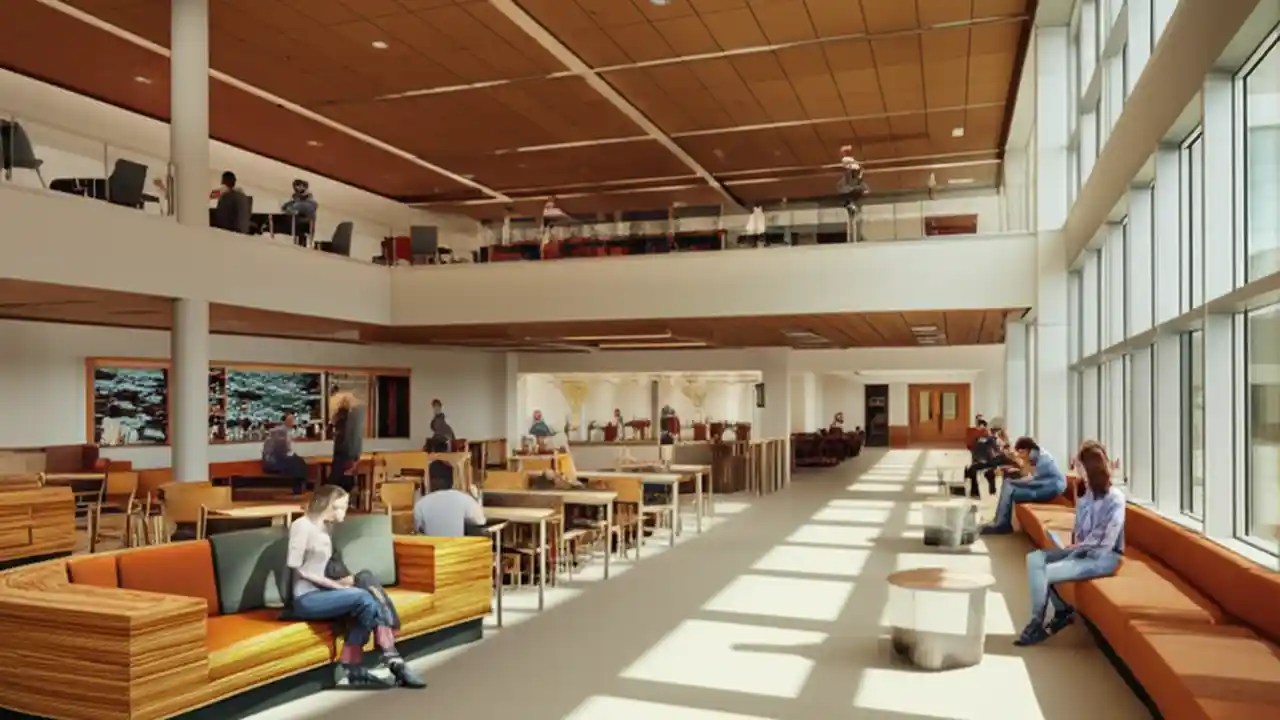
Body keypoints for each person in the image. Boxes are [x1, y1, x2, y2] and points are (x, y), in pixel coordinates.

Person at [286, 485, 425, 688]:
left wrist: (341, 583)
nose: (346, 510)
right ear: (330, 505)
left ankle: (360, 665)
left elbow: (324, 567)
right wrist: (336, 587)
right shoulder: (301, 525)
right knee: (364, 598)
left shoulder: (324, 528)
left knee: (366, 587)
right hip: (306, 598)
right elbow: (297, 568)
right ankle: (385, 656)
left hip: (323, 591)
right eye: (343, 506)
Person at [1015, 441, 1125, 646]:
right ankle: (1062, 610)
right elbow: (1080, 530)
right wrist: (1075, 546)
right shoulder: (1086, 493)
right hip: (1084, 550)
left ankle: (1036, 623)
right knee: (1034, 559)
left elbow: (1106, 539)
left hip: (1105, 557)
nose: (1076, 468)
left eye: (1079, 465)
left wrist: (1077, 550)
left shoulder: (1115, 498)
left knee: (1045, 572)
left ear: (1090, 467)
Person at [981, 436, 1067, 534]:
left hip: (1050, 489)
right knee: (1008, 485)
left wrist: (1014, 482)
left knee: (1009, 487)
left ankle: (1001, 524)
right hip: (1043, 486)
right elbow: (1030, 476)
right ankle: (999, 522)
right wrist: (1016, 474)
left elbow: (1032, 480)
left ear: (1027, 450)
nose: (1020, 455)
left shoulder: (1043, 460)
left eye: (1021, 452)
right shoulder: (1036, 456)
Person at [413, 461, 486, 537]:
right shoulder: (465, 499)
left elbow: (416, 528)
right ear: (452, 481)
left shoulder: (421, 504)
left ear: (431, 481)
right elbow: (480, 521)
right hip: (457, 544)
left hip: (433, 544)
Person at [262, 412, 309, 495]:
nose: (292, 422)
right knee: (299, 463)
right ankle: (298, 489)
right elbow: (280, 450)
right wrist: (291, 455)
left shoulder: (285, 431)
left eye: (292, 420)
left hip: (275, 458)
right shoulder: (281, 431)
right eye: (290, 420)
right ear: (285, 421)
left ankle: (299, 488)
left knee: (299, 462)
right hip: (273, 460)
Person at [328, 392, 364, 494]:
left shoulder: (344, 417)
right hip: (348, 453)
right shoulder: (354, 417)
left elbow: (339, 434)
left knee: (338, 481)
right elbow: (356, 437)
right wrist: (356, 456)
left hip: (343, 453)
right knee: (344, 481)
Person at [964, 420, 1003, 498]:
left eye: (983, 428)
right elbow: (971, 448)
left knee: (984, 471)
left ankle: (989, 491)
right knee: (973, 470)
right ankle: (976, 492)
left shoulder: (990, 438)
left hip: (986, 461)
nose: (982, 430)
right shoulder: (976, 438)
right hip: (982, 461)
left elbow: (996, 450)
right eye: (980, 428)